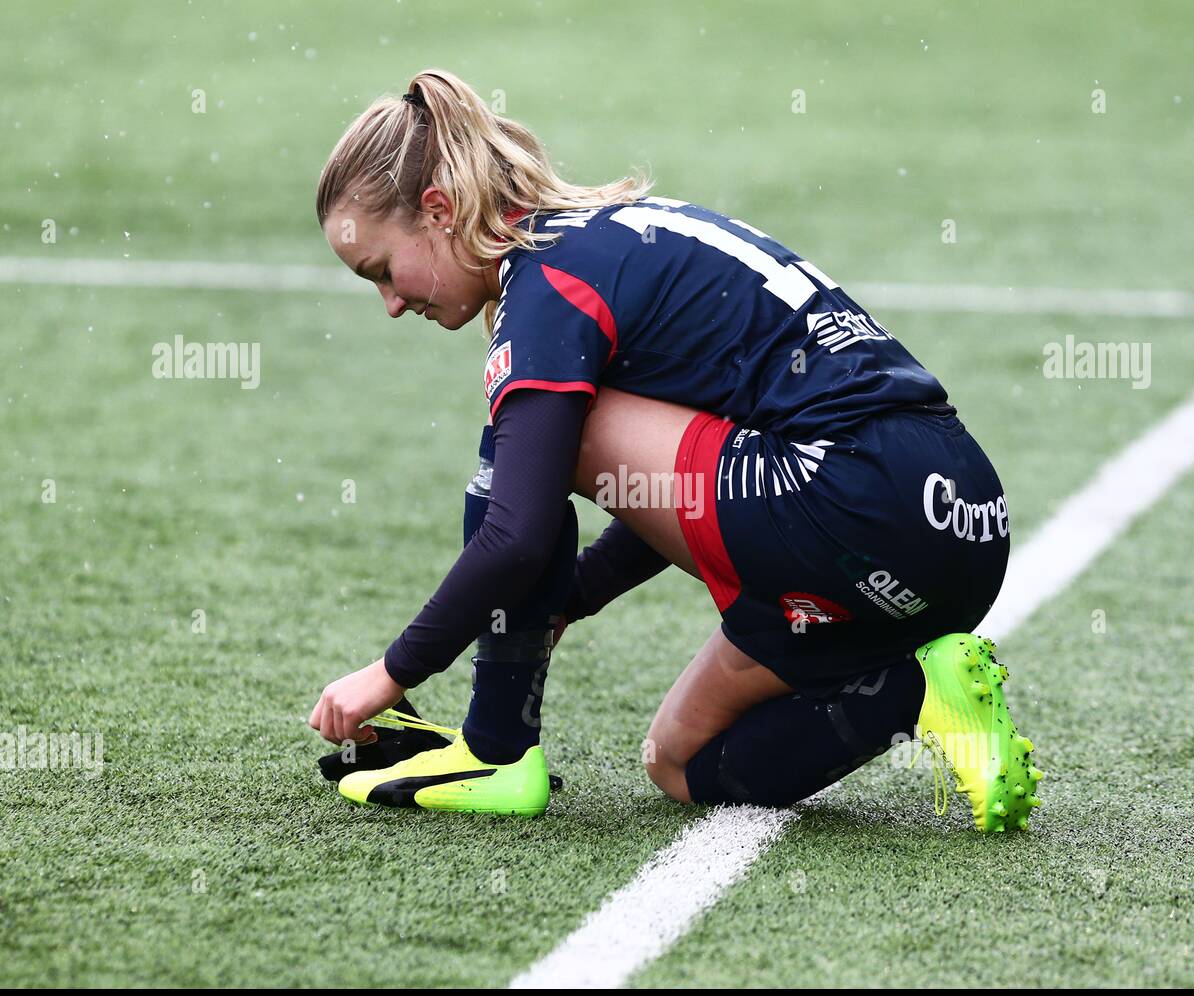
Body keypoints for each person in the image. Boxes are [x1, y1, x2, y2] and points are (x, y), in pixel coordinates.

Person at [307, 68, 1043, 831]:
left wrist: (387, 677)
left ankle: (494, 750)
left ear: (439, 211)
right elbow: (680, 477)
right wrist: (574, 597)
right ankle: (919, 690)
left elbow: (518, 531)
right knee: (682, 760)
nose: (392, 304)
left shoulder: (548, 284)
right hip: (961, 523)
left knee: (529, 430)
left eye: (383, 272)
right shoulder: (607, 233)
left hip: (852, 492)